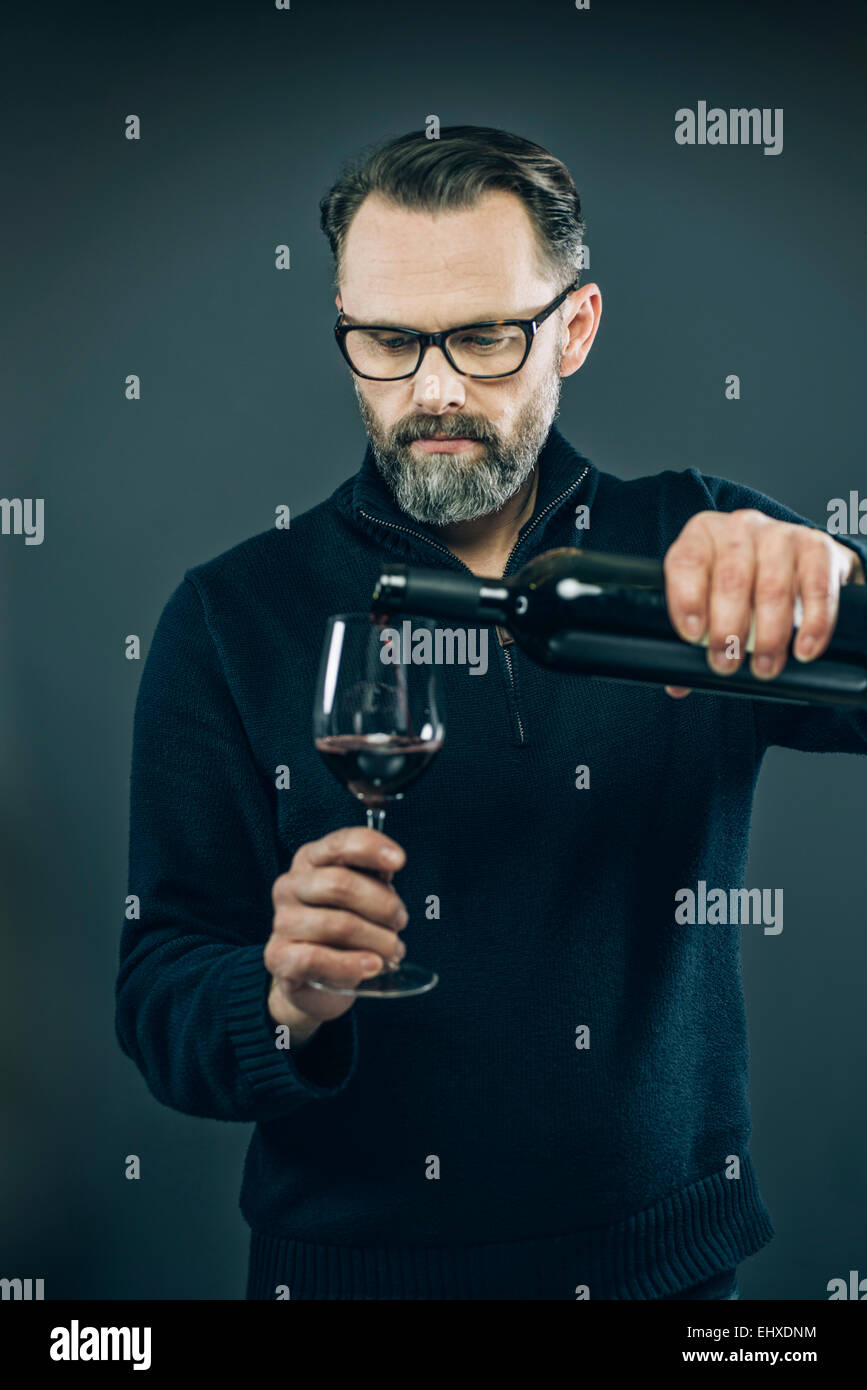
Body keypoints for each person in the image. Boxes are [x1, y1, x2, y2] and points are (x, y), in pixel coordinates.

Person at [115, 126, 866, 1301]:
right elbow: (157, 989)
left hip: (663, 1279)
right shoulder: (228, 615)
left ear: (575, 326)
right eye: (387, 342)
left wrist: (831, 576)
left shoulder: (696, 551)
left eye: (482, 336)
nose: (435, 390)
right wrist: (276, 999)